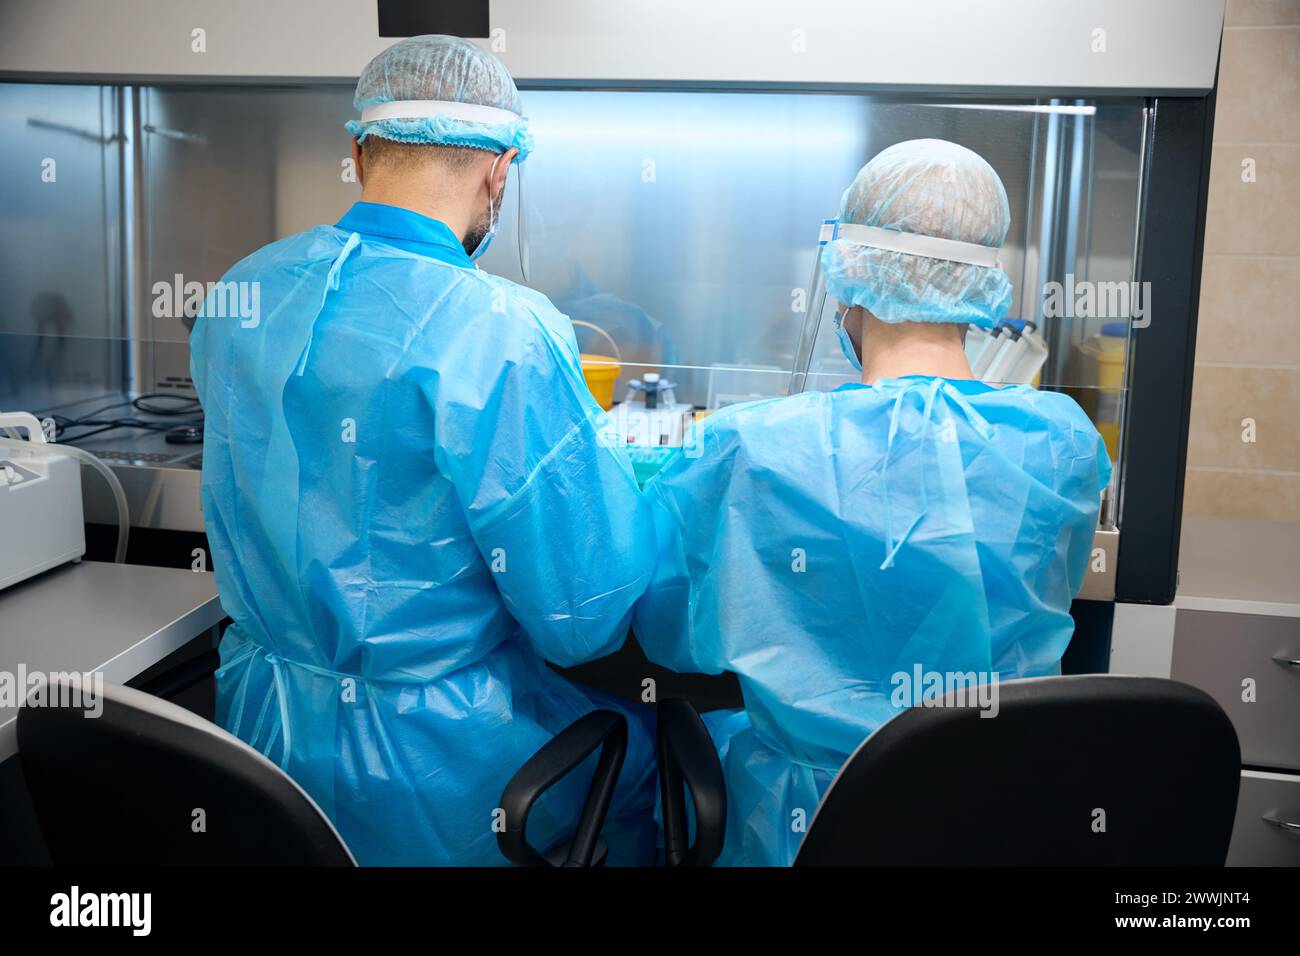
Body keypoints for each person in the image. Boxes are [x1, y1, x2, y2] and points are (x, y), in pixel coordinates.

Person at [190, 35, 657, 865]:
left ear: (359, 150)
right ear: (500, 170)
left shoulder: (241, 290)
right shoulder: (499, 330)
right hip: (439, 776)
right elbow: (582, 618)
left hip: (264, 745)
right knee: (660, 744)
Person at [633, 139, 1112, 866]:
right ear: (980, 283)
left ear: (847, 278)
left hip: (807, 832)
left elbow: (673, 634)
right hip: (995, 825)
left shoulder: (754, 447)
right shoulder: (1063, 444)